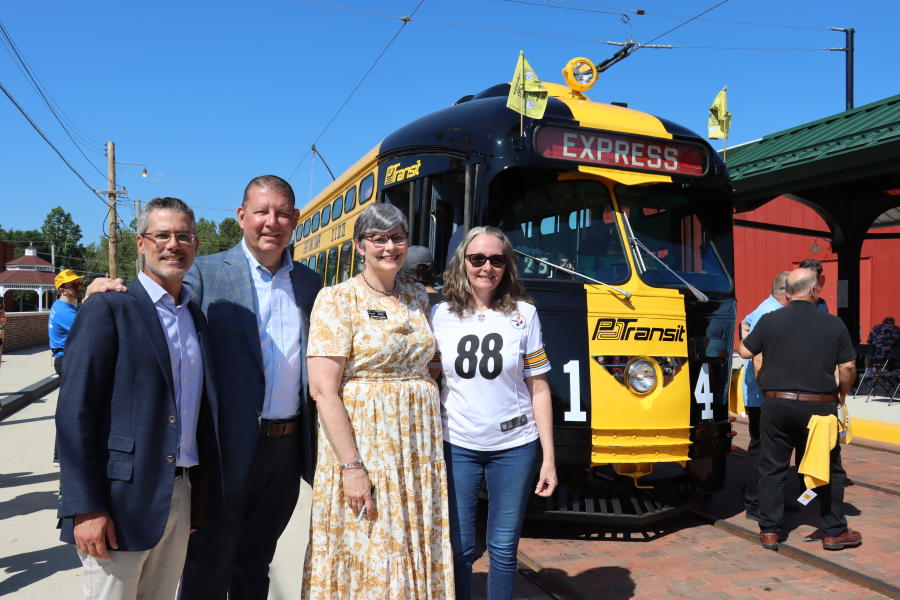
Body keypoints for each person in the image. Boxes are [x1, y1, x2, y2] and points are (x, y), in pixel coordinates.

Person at [85, 175, 322, 599]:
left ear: (296, 219)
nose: (272, 222)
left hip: (285, 453)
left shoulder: (310, 284)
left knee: (256, 562)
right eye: (262, 212)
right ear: (241, 217)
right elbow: (157, 296)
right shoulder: (205, 271)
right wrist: (106, 288)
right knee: (208, 564)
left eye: (283, 213)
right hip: (223, 448)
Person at [56, 197, 223, 600]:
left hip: (178, 494)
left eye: (183, 236)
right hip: (118, 502)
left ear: (196, 245)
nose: (173, 244)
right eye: (162, 235)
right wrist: (85, 506)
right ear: (141, 243)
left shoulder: (194, 318)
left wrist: (194, 500)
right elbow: (75, 411)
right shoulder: (109, 307)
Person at [302, 203, 454, 599]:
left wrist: (412, 393)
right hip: (366, 444)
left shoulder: (418, 296)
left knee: (409, 539)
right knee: (371, 539)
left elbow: (428, 363)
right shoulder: (337, 299)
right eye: (379, 239)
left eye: (398, 237)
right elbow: (323, 389)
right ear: (360, 246)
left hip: (417, 450)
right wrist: (351, 466)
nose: (390, 246)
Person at [430, 226, 557, 600]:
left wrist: (549, 457)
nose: (487, 267)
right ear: (462, 262)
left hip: (515, 446)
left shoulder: (525, 314)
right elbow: (428, 377)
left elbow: (539, 387)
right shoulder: (439, 314)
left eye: (496, 260)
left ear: (507, 265)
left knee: (503, 548)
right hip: (457, 444)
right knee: (460, 547)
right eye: (477, 259)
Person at [738, 268, 861, 551]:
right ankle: (833, 531)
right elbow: (848, 367)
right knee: (829, 468)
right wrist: (841, 395)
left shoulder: (769, 320)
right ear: (813, 290)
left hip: (776, 404)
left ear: (788, 291)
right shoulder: (833, 324)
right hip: (818, 407)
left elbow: (745, 351)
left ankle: (769, 530)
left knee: (773, 468)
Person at [738, 270, 789, 521]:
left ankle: (768, 499)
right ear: (786, 292)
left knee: (770, 447)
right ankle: (755, 503)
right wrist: (766, 387)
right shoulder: (770, 312)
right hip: (762, 393)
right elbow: (757, 354)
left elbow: (744, 323)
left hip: (761, 390)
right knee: (761, 448)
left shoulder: (762, 309)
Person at [49, 269, 84, 376]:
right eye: (74, 286)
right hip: (67, 360)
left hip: (68, 358)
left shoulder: (62, 305)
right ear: (62, 291)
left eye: (79, 284)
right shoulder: (64, 311)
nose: (78, 287)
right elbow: (88, 330)